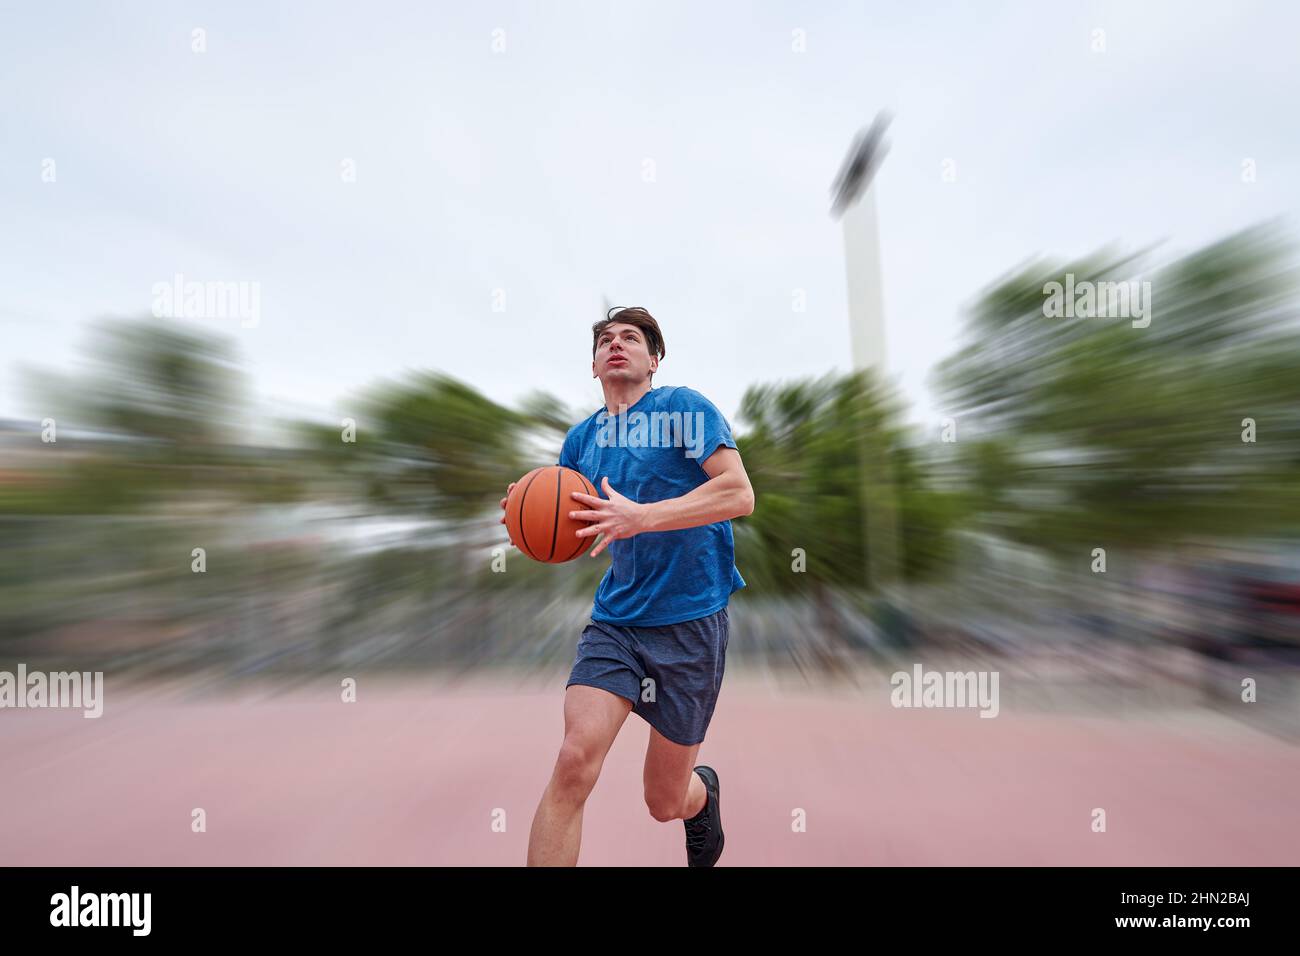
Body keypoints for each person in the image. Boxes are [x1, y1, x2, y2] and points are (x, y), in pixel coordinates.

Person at [502, 306, 753, 867]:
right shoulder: (580, 441)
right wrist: (526, 517)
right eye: (606, 340)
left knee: (663, 801)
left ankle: (701, 796)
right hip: (617, 622)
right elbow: (573, 525)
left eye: (631, 338)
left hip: (691, 619)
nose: (617, 345)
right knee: (573, 760)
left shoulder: (683, 409)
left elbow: (739, 493)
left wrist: (643, 516)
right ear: (594, 366)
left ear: (653, 360)